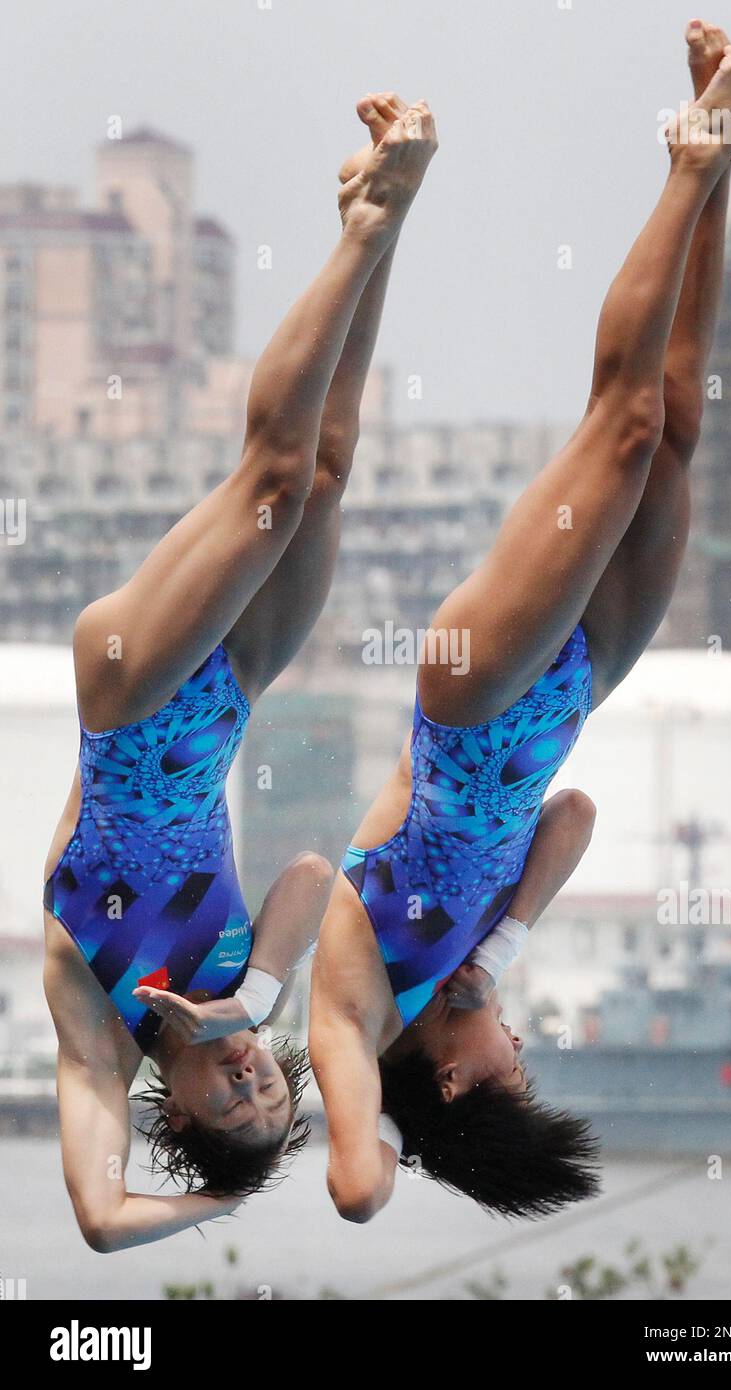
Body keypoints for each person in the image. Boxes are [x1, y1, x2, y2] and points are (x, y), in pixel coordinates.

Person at [310, 25, 731, 1221]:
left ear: (457, 1084)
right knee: (672, 427)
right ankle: (715, 150)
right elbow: (572, 814)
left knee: (615, 426)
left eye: (518, 1066)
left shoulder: (362, 1006)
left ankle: (685, 159)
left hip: (477, 695)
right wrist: (502, 944)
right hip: (575, 693)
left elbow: (358, 1187)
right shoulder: (476, 965)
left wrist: (387, 1150)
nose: (520, 1040)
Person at [41, 94, 438, 1250]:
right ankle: (389, 218)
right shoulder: (246, 987)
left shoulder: (102, 1025)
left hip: (126, 688)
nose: (254, 1078)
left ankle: (362, 222)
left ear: (183, 1105)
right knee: (322, 473)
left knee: (266, 489)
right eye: (270, 1084)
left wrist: (227, 1197)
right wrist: (256, 990)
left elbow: (104, 1222)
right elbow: (315, 870)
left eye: (235, 1100)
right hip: (228, 696)